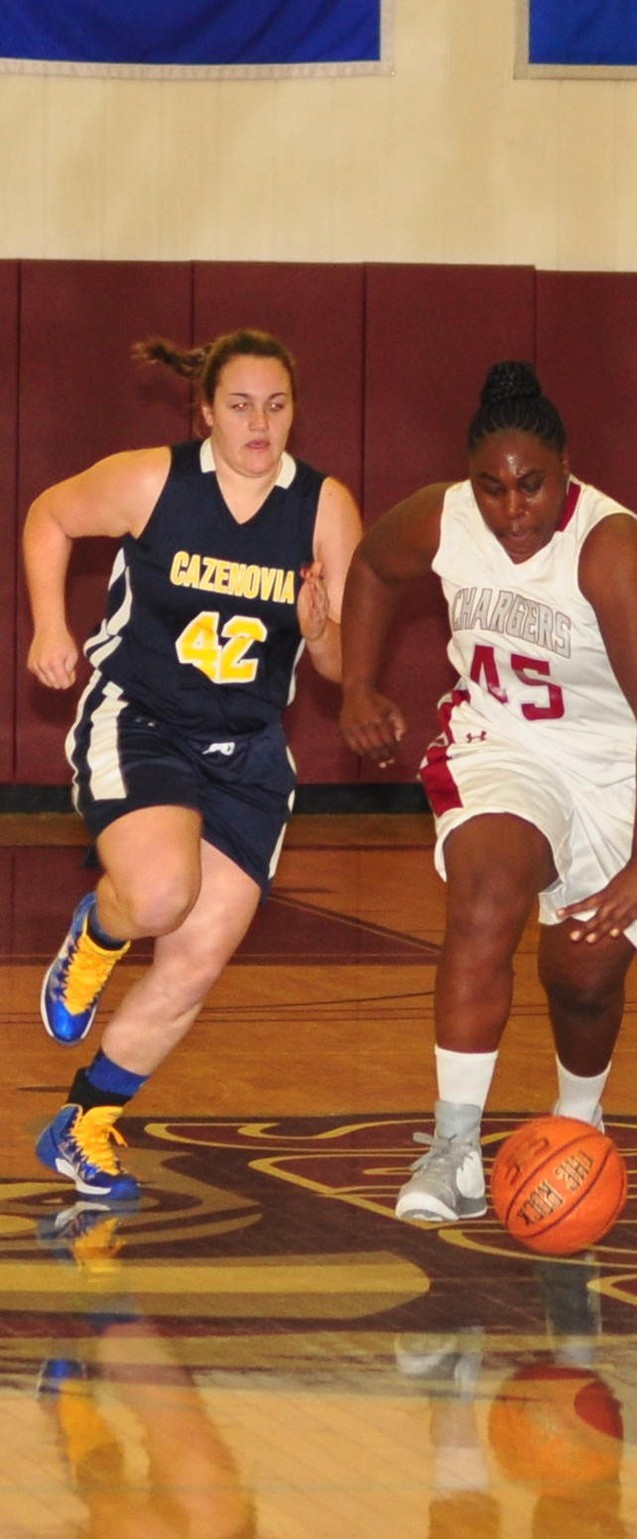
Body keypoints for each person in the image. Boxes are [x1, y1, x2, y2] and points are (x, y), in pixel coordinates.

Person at [339, 359, 637, 1225]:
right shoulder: (443, 516)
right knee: (486, 894)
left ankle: (579, 1120)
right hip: (504, 742)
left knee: (582, 978)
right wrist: (356, 687)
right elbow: (375, 566)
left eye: (531, 485)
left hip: (616, 762)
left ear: (566, 468)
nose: (512, 509)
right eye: (491, 488)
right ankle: (453, 1148)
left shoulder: (610, 547)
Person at [24, 328, 362, 1205]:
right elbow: (49, 515)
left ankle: (84, 1123)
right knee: (160, 895)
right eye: (240, 405)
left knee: (195, 960)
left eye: (276, 406)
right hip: (143, 720)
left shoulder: (324, 508)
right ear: (206, 410)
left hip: (249, 750)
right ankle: (98, 933)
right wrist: (50, 624)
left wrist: (321, 626)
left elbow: (336, 666)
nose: (260, 424)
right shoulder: (154, 481)